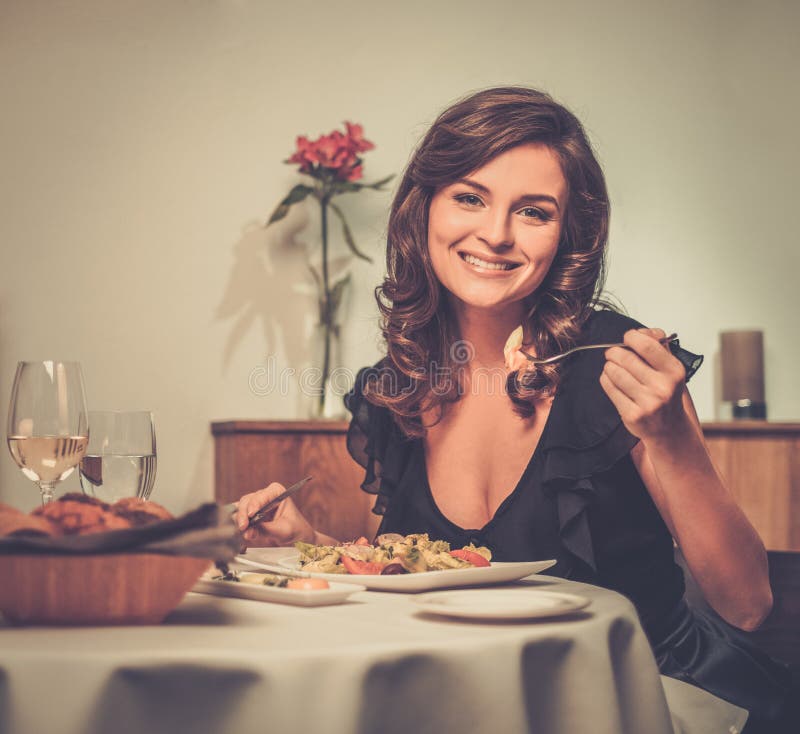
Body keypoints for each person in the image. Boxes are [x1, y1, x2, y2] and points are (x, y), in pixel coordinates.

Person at [236, 87, 793, 730]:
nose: (496, 235)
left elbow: (748, 605)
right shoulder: (396, 387)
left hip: (656, 695)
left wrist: (672, 441)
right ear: (424, 210)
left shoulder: (614, 362)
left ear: (567, 236)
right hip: (492, 703)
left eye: (532, 211)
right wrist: (310, 543)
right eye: (469, 197)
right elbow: (418, 574)